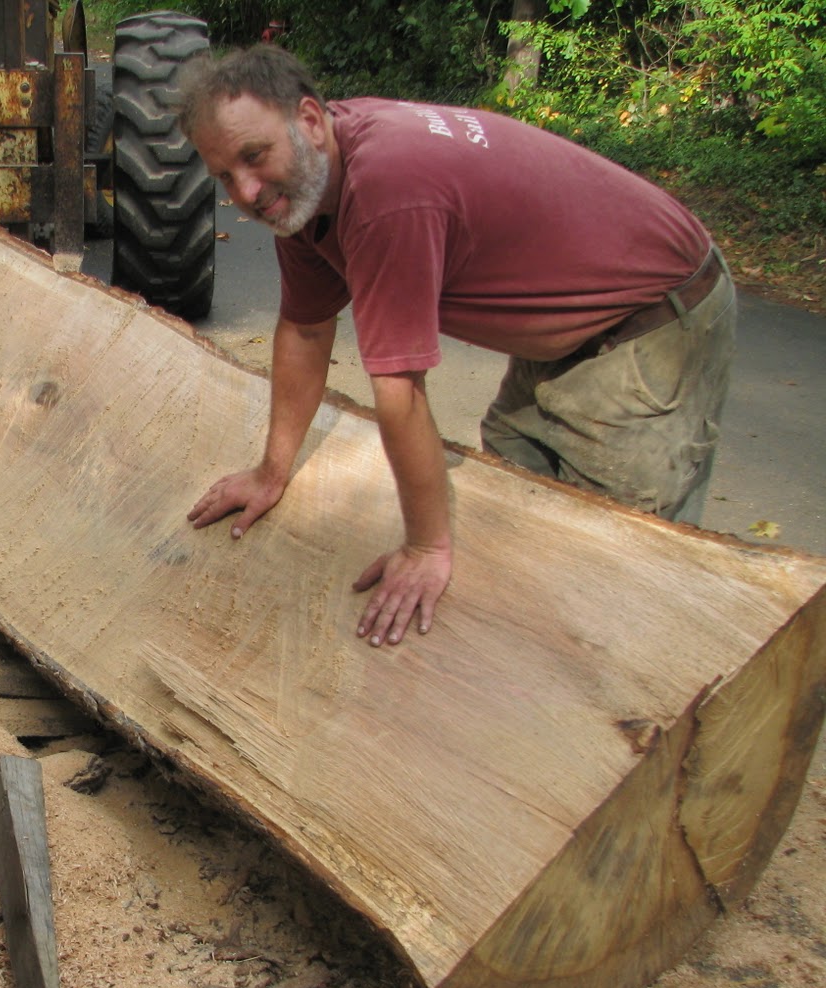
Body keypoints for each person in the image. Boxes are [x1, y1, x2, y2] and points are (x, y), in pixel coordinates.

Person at [178, 46, 735, 648]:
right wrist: (271, 472)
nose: (247, 191)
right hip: (563, 327)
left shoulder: (387, 189)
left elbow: (399, 392)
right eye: (224, 175)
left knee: (620, 568)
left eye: (254, 157)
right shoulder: (306, 187)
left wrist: (425, 547)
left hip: (647, 324)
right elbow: (307, 330)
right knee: (514, 516)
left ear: (310, 120)